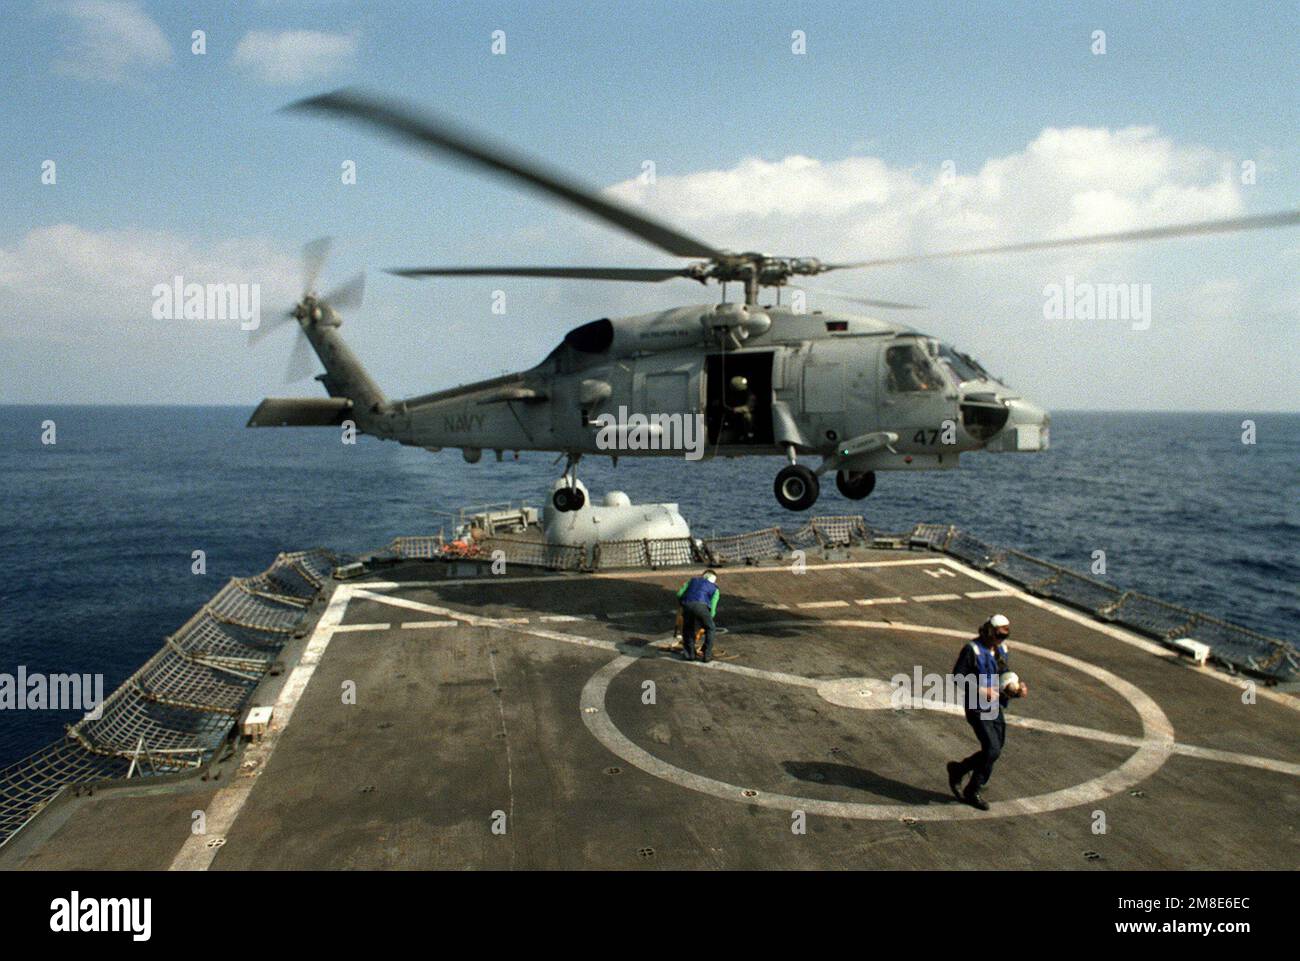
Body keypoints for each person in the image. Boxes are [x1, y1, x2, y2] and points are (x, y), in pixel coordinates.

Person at [946, 614, 1028, 810]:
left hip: (995, 705)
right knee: (991, 749)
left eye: (1003, 637)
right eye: (998, 636)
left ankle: (959, 769)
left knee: (995, 749)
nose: (1001, 641)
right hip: (977, 706)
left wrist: (1014, 688)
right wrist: (982, 690)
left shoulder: (1001, 650)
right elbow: (958, 677)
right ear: (989, 632)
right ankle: (973, 789)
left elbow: (1003, 674)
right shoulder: (972, 650)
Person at [675, 570, 720, 662]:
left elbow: (679, 594)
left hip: (687, 605)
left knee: (688, 630)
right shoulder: (715, 589)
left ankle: (690, 655)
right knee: (711, 628)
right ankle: (707, 655)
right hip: (702, 608)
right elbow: (713, 610)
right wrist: (706, 621)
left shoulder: (692, 581)